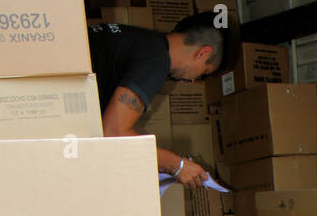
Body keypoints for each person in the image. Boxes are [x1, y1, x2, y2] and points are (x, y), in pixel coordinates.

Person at [87, 12, 240, 188]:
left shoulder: (141, 40)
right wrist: (177, 165)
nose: (192, 81)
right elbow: (113, 132)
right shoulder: (155, 62)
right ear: (203, 53)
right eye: (203, 73)